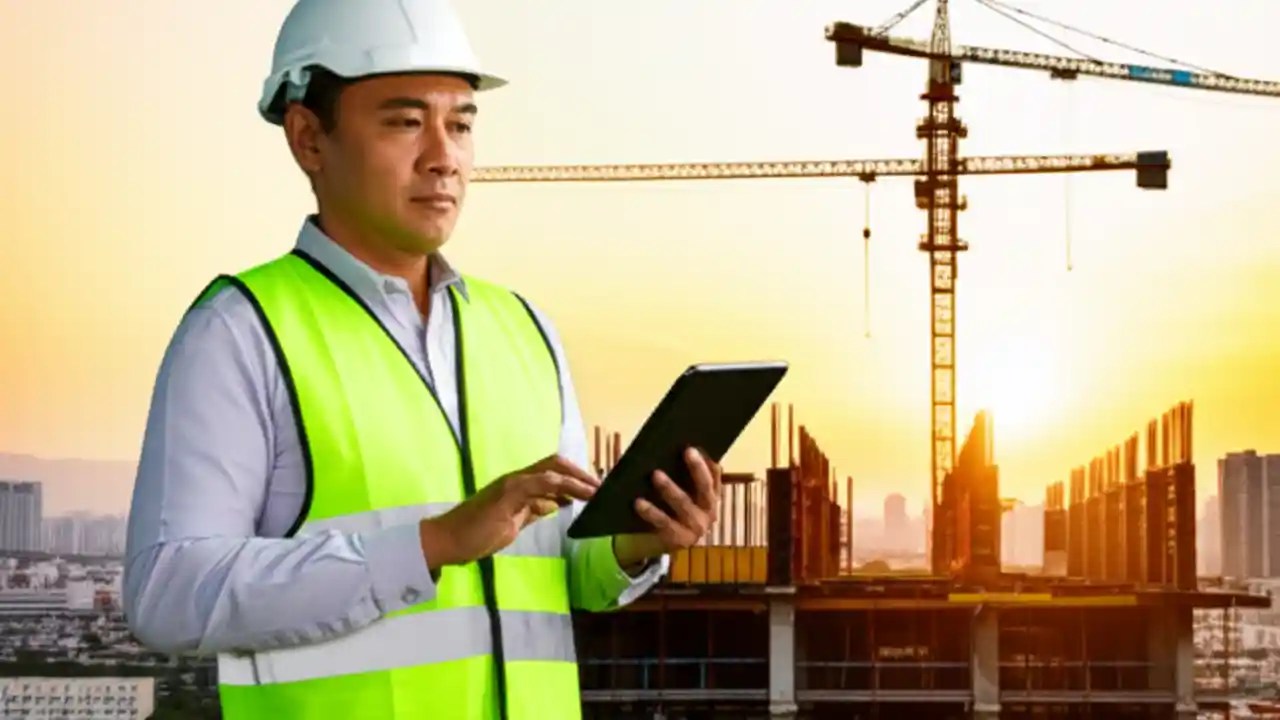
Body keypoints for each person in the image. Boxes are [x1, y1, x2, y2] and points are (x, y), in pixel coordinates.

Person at [121, 0, 724, 718]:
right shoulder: (242, 332)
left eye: (462, 124)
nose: (444, 156)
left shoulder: (522, 329)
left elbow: (565, 574)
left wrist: (634, 542)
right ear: (309, 138)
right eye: (406, 122)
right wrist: (432, 544)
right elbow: (168, 592)